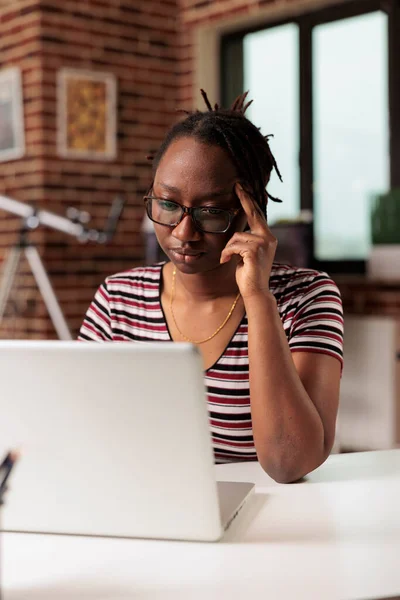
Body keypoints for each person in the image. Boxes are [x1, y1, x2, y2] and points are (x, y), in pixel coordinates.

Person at [79, 91, 344, 483]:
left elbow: (289, 463)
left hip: (273, 522)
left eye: (210, 211)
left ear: (250, 211)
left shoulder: (306, 296)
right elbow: (79, 431)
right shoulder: (118, 299)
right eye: (167, 205)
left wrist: (258, 300)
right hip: (146, 506)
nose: (184, 233)